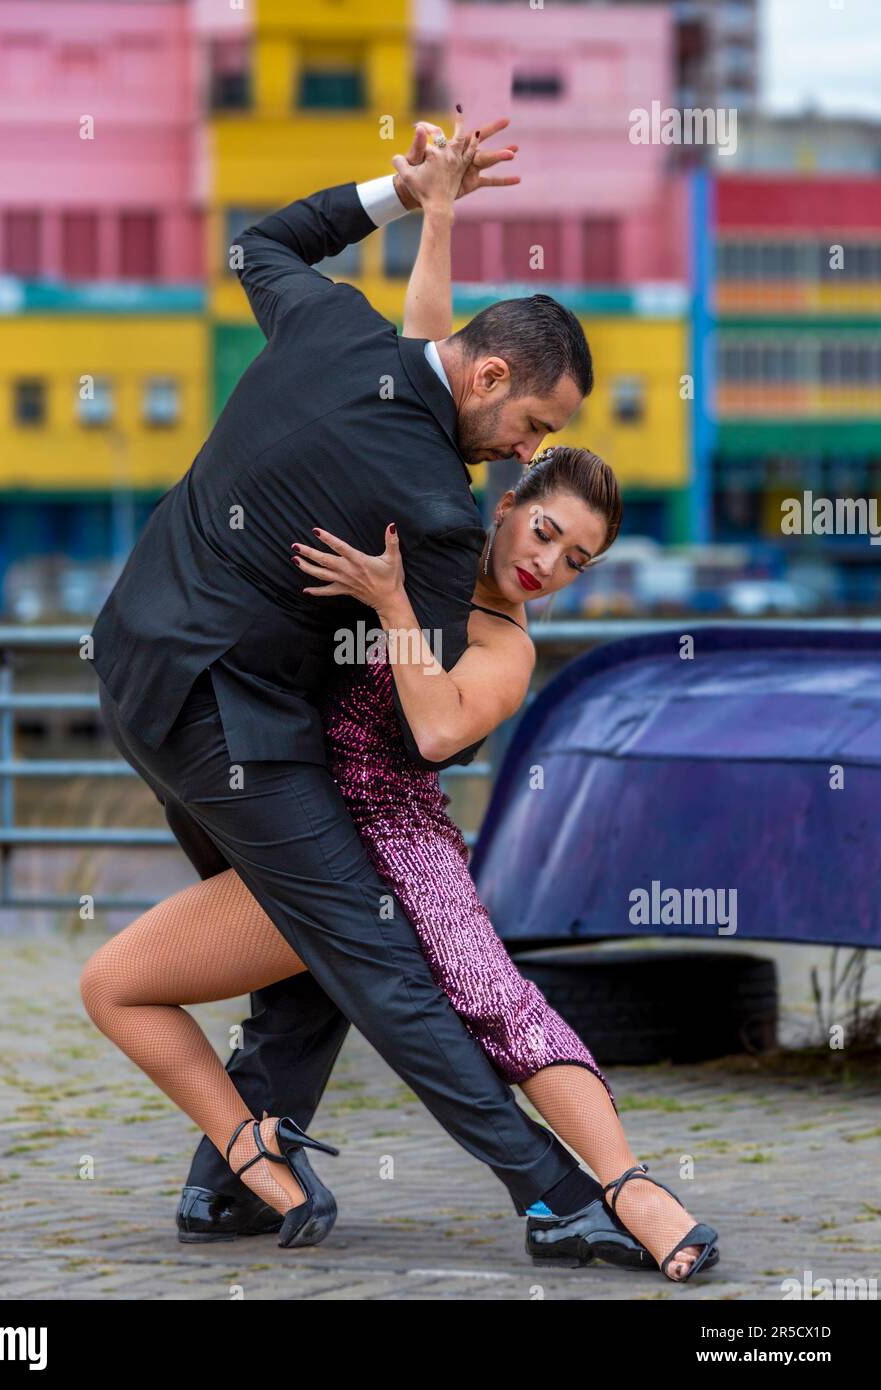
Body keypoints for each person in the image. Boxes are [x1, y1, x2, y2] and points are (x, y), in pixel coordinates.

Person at [81, 123, 719, 1282]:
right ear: (491, 381)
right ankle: (549, 1194)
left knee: (303, 941)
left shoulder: (331, 326)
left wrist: (405, 195)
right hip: (233, 724)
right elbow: (425, 724)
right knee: (372, 953)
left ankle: (227, 1176)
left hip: (131, 667)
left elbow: (261, 246)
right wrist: (389, 596)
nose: (521, 451)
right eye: (531, 430)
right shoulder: (430, 514)